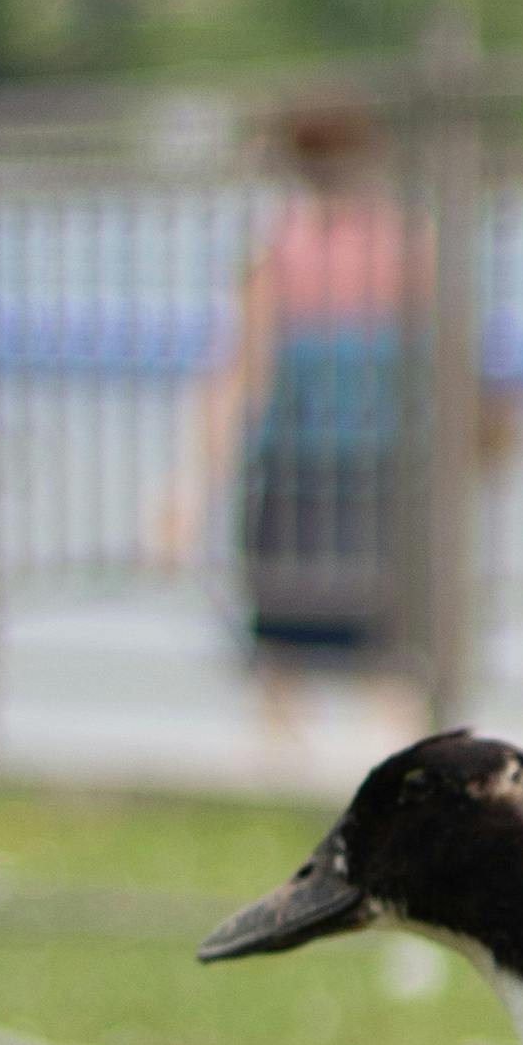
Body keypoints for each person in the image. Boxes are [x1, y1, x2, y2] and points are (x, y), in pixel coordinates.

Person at [162, 101, 420, 711]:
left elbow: (237, 378)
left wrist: (190, 487)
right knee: (386, 659)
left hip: (304, 475)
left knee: (288, 655)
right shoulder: (404, 246)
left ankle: (283, 766)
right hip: (372, 472)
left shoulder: (282, 252)